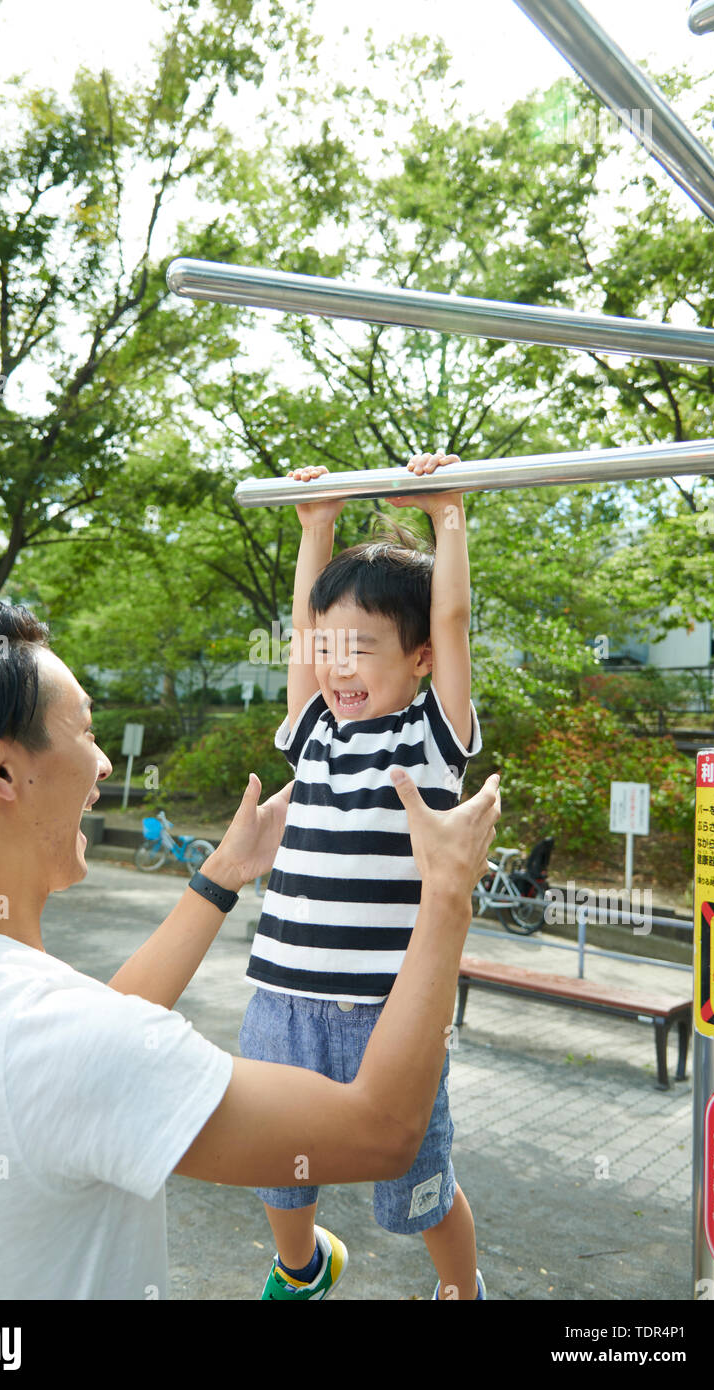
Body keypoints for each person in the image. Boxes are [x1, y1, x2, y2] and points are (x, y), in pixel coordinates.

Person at [0, 596, 499, 1300]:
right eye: (84, 730)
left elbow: (85, 1034)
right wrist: (446, 894)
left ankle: (305, 1271)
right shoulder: (59, 1043)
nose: (105, 763)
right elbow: (384, 1131)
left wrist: (223, 874)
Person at [240, 451, 484, 1301]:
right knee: (275, 1163)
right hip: (283, 993)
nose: (339, 667)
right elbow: (308, 631)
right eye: (330, 651)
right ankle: (302, 1267)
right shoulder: (314, 729)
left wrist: (448, 515)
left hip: (392, 1012)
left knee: (418, 1185)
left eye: (364, 651)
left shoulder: (430, 736)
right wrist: (317, 526)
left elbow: (450, 618)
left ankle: (462, 1292)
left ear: (418, 660)